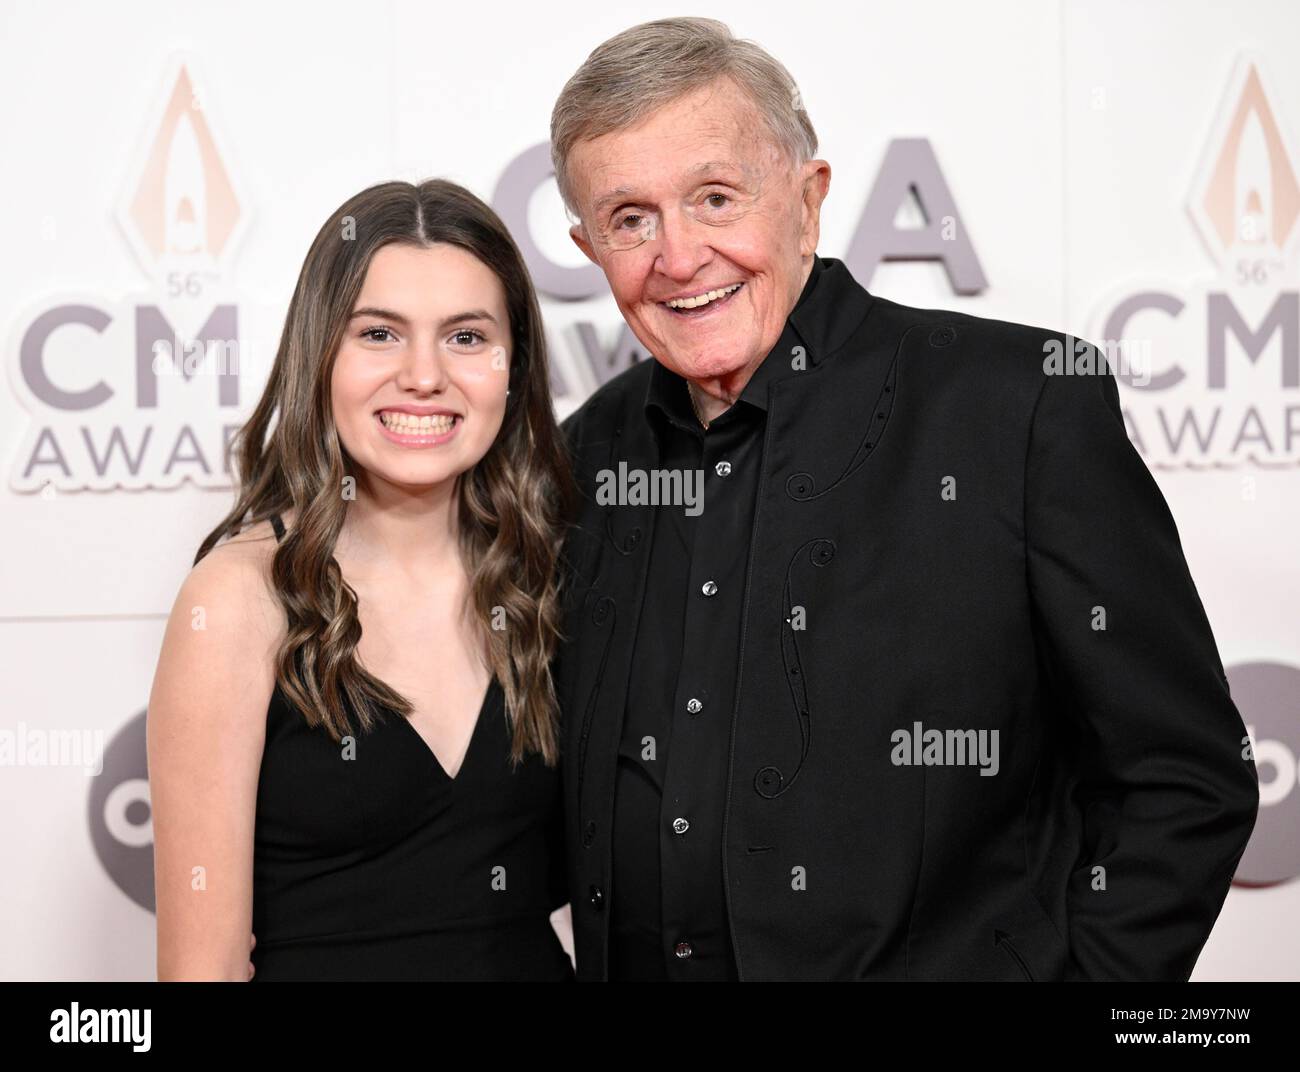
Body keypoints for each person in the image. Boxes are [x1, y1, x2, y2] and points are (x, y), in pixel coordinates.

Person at [548, 17, 1260, 981]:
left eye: (716, 198)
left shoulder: (1016, 409)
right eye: (631, 219)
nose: (678, 257)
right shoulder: (581, 458)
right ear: (588, 246)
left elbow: (1183, 779)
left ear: (808, 199)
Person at [147, 178, 577, 981]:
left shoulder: (547, 576)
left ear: (513, 366)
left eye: (466, 337)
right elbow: (199, 970)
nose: (424, 376)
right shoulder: (241, 600)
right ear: (321, 357)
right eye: (379, 334)